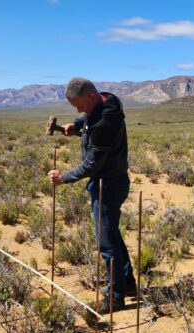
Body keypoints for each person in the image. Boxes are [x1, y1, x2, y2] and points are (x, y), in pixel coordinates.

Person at [48, 77, 135, 313]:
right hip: (109, 181)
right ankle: (127, 283)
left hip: (108, 184)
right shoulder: (108, 100)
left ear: (93, 97)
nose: (78, 110)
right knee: (112, 235)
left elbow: (91, 166)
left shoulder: (106, 123)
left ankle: (116, 297)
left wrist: (63, 178)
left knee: (106, 242)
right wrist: (76, 125)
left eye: (80, 106)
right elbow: (89, 118)